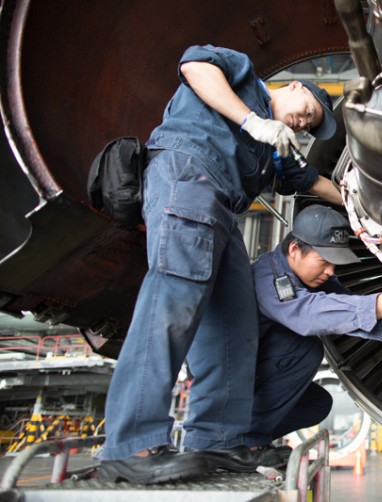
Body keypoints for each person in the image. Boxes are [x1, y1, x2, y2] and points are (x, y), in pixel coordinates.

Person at [97, 45, 342, 484]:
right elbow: (193, 66)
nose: (304, 124)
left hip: (224, 211)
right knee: (173, 304)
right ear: (296, 87)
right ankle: (131, 443)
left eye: (310, 126)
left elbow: (311, 181)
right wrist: (253, 121)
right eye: (308, 112)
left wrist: (364, 211)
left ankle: (217, 439)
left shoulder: (275, 151)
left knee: (235, 327)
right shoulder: (242, 75)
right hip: (188, 177)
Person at [249, 205, 382, 446]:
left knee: (316, 405)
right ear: (295, 249)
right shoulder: (269, 277)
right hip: (237, 380)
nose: (330, 271)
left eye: (334, 264)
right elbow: (309, 313)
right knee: (305, 350)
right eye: (324, 261)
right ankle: (245, 442)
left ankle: (253, 437)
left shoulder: (310, 277)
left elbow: (345, 304)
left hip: (259, 374)